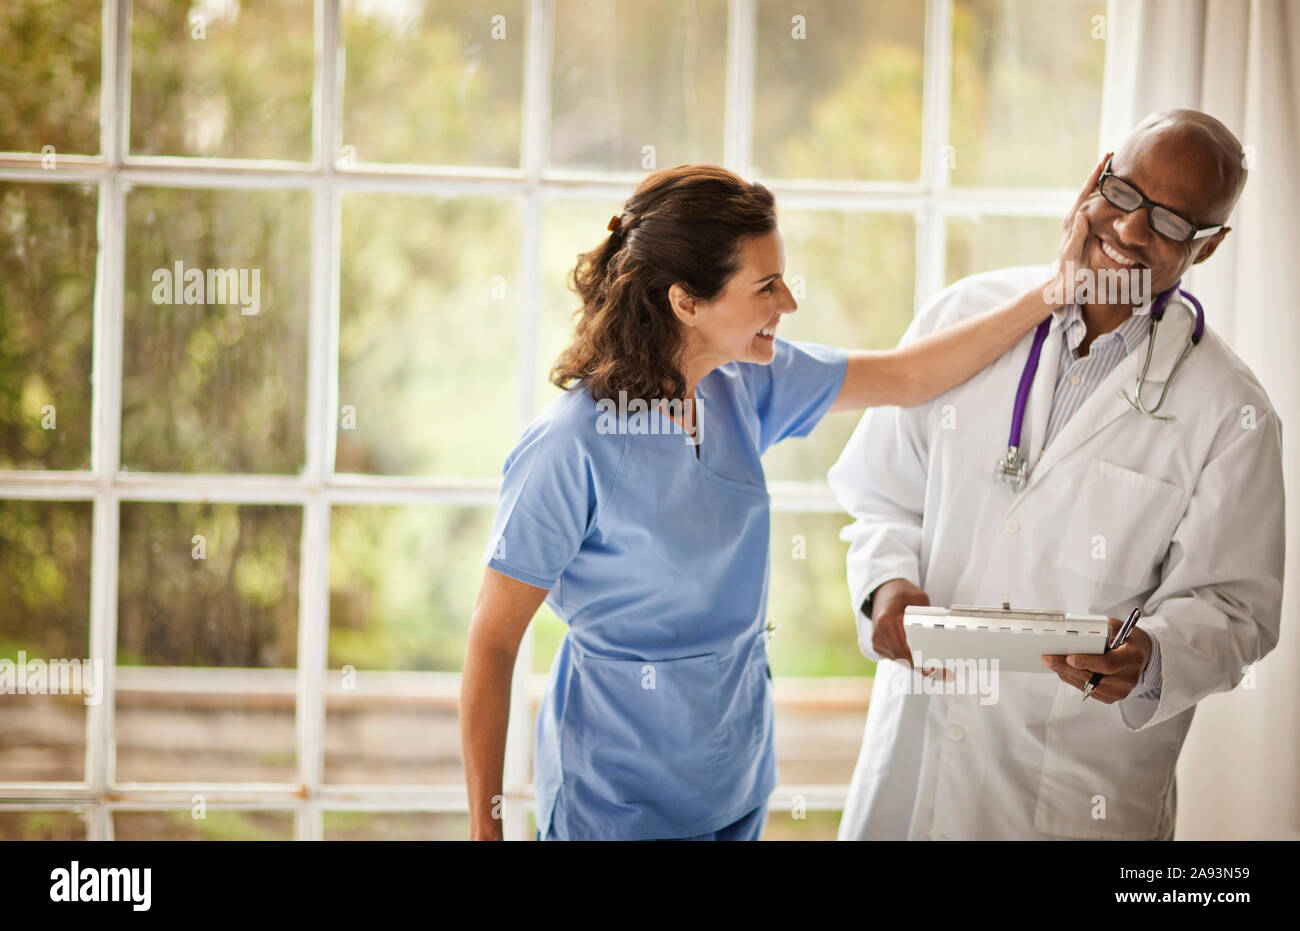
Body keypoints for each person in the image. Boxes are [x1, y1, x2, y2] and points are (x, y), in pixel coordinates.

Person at [460, 163, 1088, 841]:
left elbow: (909, 377)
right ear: (686, 302)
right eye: (765, 286)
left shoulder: (744, 384)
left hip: (736, 783)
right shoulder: (569, 446)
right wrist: (486, 828)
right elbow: (493, 643)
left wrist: (1052, 292)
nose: (787, 302)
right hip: (615, 802)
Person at [829, 110, 1285, 841]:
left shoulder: (1232, 410)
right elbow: (882, 494)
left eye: (1170, 222)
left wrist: (1154, 652)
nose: (1132, 231)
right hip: (921, 748)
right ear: (1098, 176)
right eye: (1126, 193)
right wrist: (886, 583)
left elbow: (1237, 608)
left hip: (1078, 785)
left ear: (1210, 244)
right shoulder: (966, 314)